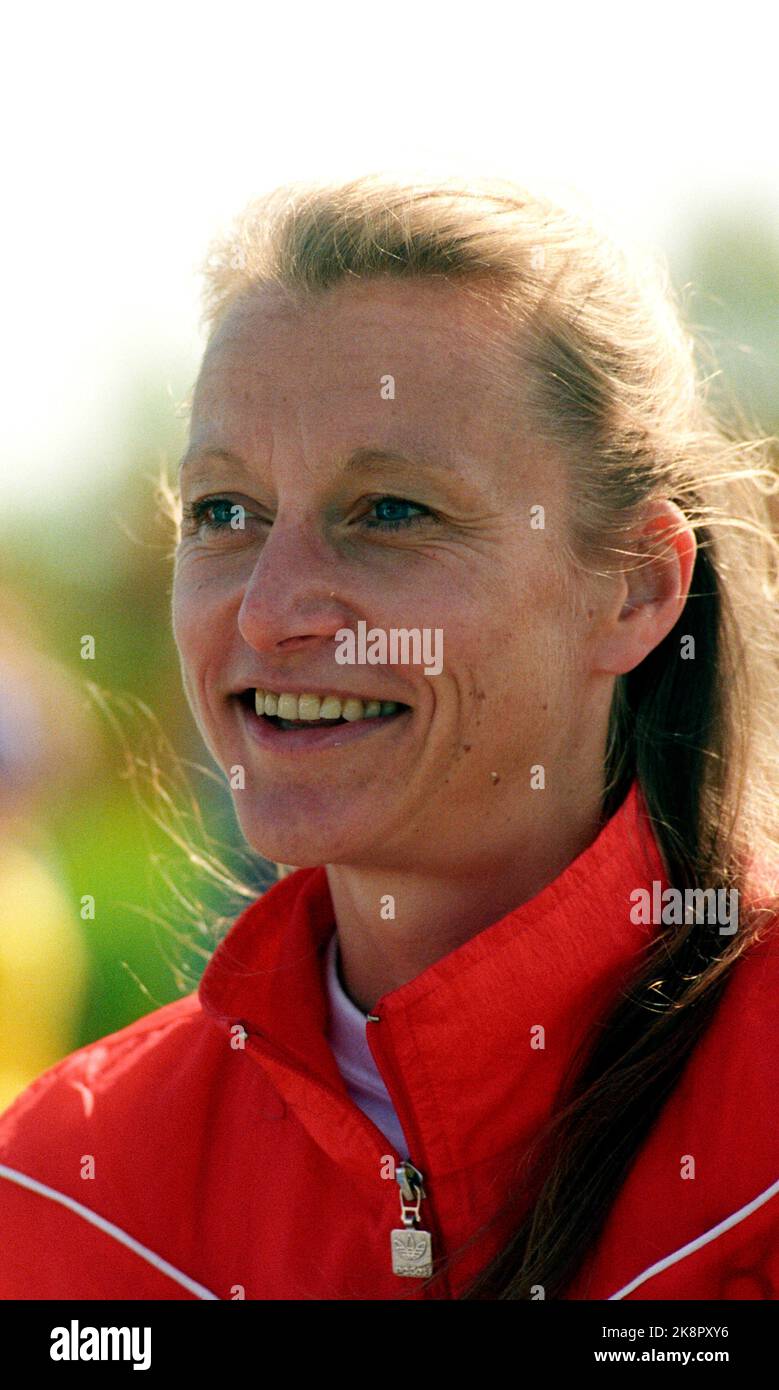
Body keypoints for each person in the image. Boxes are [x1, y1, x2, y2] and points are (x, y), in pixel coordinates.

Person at [1, 173, 777, 1301]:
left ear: (636, 588)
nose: (268, 610)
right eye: (225, 512)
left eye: (391, 513)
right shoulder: (66, 1191)